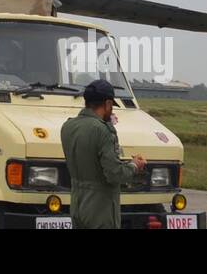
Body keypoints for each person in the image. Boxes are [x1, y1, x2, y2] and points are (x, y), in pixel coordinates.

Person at [59, 79, 146, 229]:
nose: (111, 110)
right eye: (111, 106)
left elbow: (92, 165)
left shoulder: (68, 126)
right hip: (100, 213)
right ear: (107, 104)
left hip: (77, 207)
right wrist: (134, 166)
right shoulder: (104, 131)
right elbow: (114, 174)